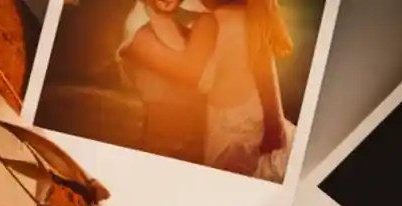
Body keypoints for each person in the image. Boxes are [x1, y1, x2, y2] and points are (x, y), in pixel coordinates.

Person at [120, 0, 296, 180]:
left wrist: (144, 39)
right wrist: (276, 123)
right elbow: (263, 66)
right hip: (245, 124)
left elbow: (192, 73)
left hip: (236, 135)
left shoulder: (214, 22)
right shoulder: (241, 17)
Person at [119, 0, 208, 162]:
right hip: (162, 143)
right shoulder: (138, 30)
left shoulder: (192, 14)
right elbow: (190, 74)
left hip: (193, 141)